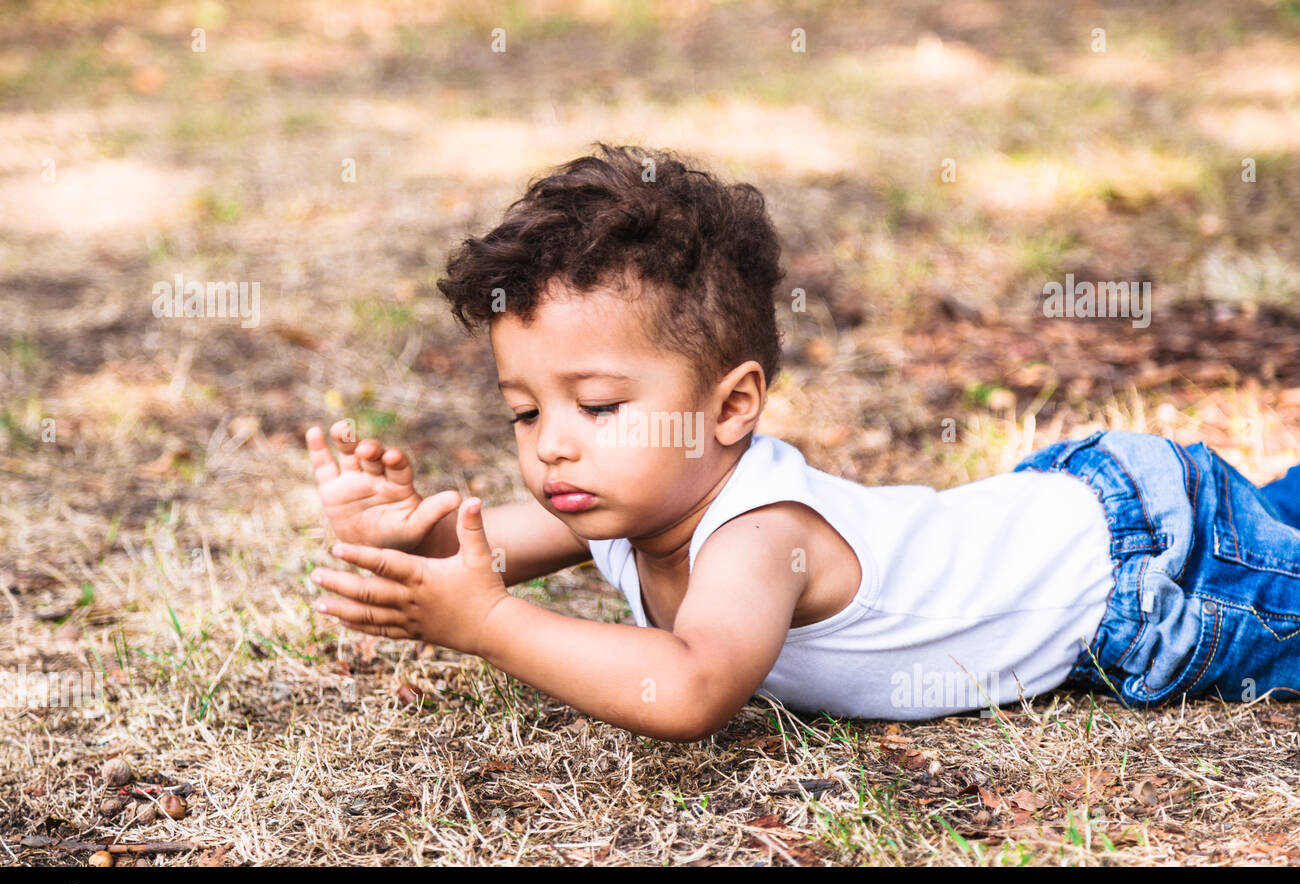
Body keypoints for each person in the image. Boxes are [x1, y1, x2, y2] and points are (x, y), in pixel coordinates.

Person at [304, 143, 1300, 741]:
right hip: (1072, 500)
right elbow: (473, 555)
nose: (553, 448)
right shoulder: (620, 496)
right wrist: (401, 538)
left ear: (732, 407)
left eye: (599, 406)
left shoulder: (756, 533)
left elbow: (691, 687)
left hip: (1150, 569)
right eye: (526, 412)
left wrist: (485, 623)